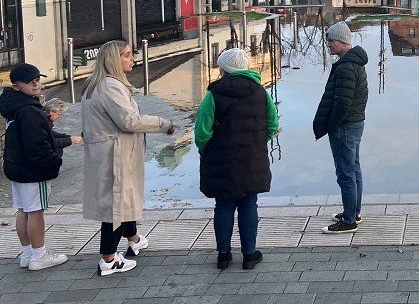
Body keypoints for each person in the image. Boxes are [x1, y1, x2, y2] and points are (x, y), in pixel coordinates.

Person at [81, 40, 175, 276]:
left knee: (124, 199)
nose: (132, 58)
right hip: (116, 155)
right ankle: (109, 259)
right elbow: (129, 121)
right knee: (117, 205)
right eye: (126, 55)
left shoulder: (94, 85)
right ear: (113, 60)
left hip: (108, 152)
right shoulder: (111, 86)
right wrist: (163, 123)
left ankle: (133, 238)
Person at [195, 48, 279, 270]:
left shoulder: (213, 95)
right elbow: (273, 126)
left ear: (224, 69)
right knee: (249, 203)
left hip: (221, 159)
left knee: (223, 204)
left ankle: (223, 256)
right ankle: (249, 255)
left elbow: (201, 131)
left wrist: (205, 149)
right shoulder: (261, 93)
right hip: (252, 158)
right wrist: (257, 142)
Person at [2, 64, 75, 270]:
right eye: (30, 82)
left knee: (23, 210)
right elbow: (37, 144)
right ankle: (39, 255)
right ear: (16, 86)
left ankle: (27, 254)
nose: (36, 85)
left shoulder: (14, 107)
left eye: (38, 80)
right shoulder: (29, 110)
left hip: (17, 168)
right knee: (35, 212)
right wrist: (54, 161)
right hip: (33, 171)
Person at [313, 21, 368, 234]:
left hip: (345, 127)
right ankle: (353, 211)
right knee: (354, 169)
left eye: (331, 41)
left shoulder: (346, 67)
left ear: (342, 41)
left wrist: (330, 124)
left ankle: (349, 221)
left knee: (345, 173)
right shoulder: (355, 63)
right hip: (355, 123)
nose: (328, 45)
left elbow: (342, 104)